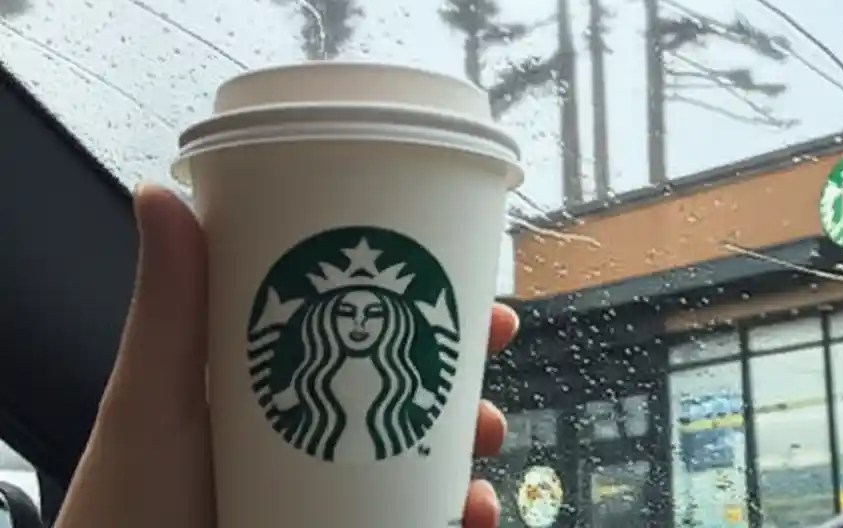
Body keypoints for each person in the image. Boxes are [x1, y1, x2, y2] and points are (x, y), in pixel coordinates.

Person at [53, 185, 514, 528]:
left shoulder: (403, 397)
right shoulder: (302, 395)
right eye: (345, 312)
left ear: (396, 322)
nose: (358, 325)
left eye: (374, 313)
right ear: (321, 321)